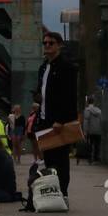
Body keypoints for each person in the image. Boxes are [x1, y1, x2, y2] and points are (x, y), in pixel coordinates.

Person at [36, 31, 79, 198]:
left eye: (51, 43)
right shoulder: (43, 67)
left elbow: (69, 95)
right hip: (45, 119)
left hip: (58, 122)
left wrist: (61, 119)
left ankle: (63, 194)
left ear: (59, 45)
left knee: (60, 160)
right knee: (48, 160)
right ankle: (52, 194)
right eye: (45, 43)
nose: (47, 45)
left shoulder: (67, 67)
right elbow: (43, 91)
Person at [82, 95, 103, 164]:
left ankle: (90, 159)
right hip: (98, 130)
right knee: (97, 145)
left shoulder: (87, 110)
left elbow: (86, 122)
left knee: (90, 145)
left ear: (88, 102)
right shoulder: (99, 110)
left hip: (90, 131)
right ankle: (96, 159)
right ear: (94, 102)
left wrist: (85, 131)